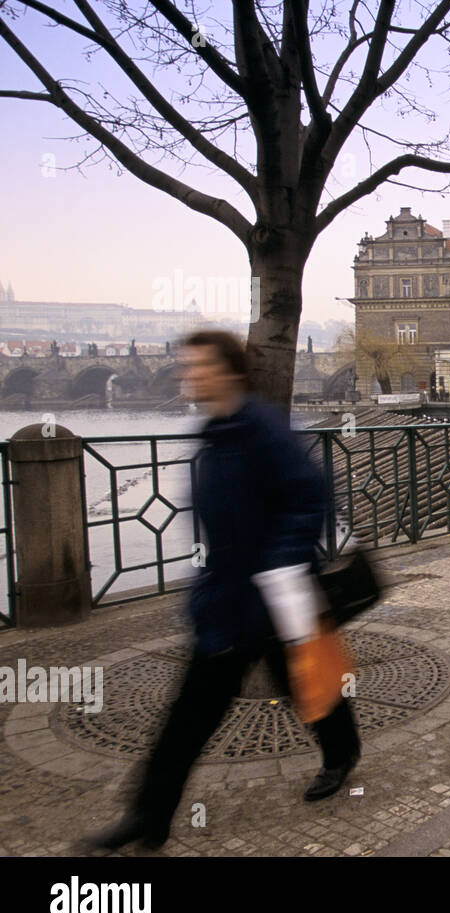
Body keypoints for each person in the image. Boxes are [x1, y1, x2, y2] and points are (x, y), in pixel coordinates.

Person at [84, 331, 360, 852]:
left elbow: (311, 497)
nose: (188, 375)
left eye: (198, 366)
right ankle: (149, 816)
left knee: (307, 686)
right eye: (186, 367)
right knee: (189, 717)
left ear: (228, 371)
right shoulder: (215, 431)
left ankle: (342, 753)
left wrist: (278, 566)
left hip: (276, 598)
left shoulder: (262, 428)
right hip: (231, 604)